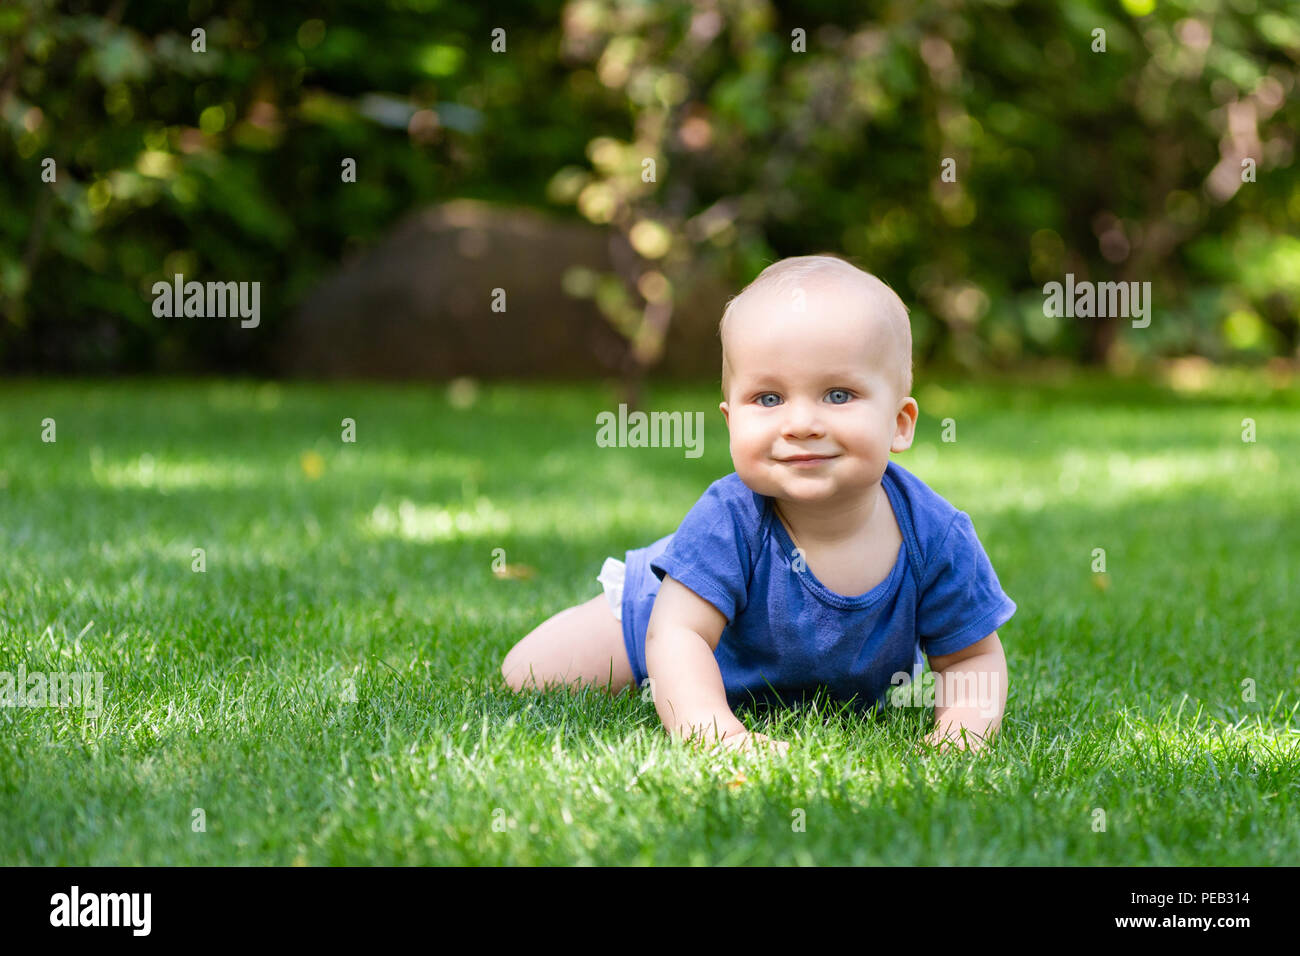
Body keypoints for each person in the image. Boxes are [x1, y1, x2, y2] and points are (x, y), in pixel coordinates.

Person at [501, 255, 1016, 755]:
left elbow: (972, 658)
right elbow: (677, 635)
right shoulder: (730, 516)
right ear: (731, 422)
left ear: (899, 423)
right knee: (530, 675)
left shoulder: (934, 534)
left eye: (838, 395)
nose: (800, 423)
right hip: (658, 617)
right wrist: (717, 734)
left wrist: (960, 736)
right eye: (769, 399)